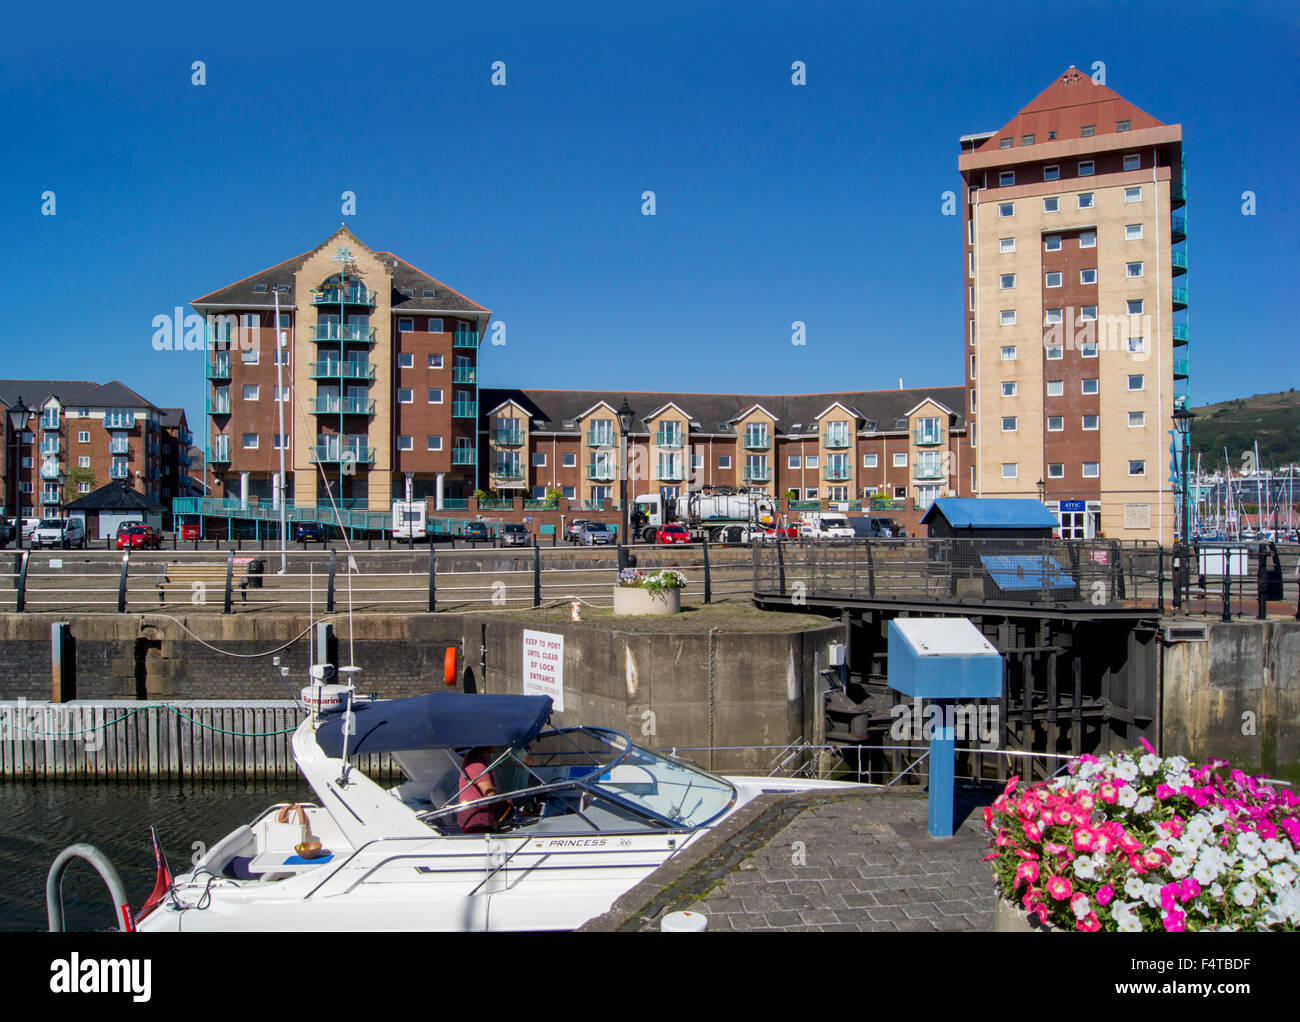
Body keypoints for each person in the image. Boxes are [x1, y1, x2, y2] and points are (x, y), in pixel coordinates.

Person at [457, 747, 504, 834]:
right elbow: (490, 793)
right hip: (476, 820)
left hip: (479, 817)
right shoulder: (476, 763)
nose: (498, 744)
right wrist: (505, 799)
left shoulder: (481, 759)